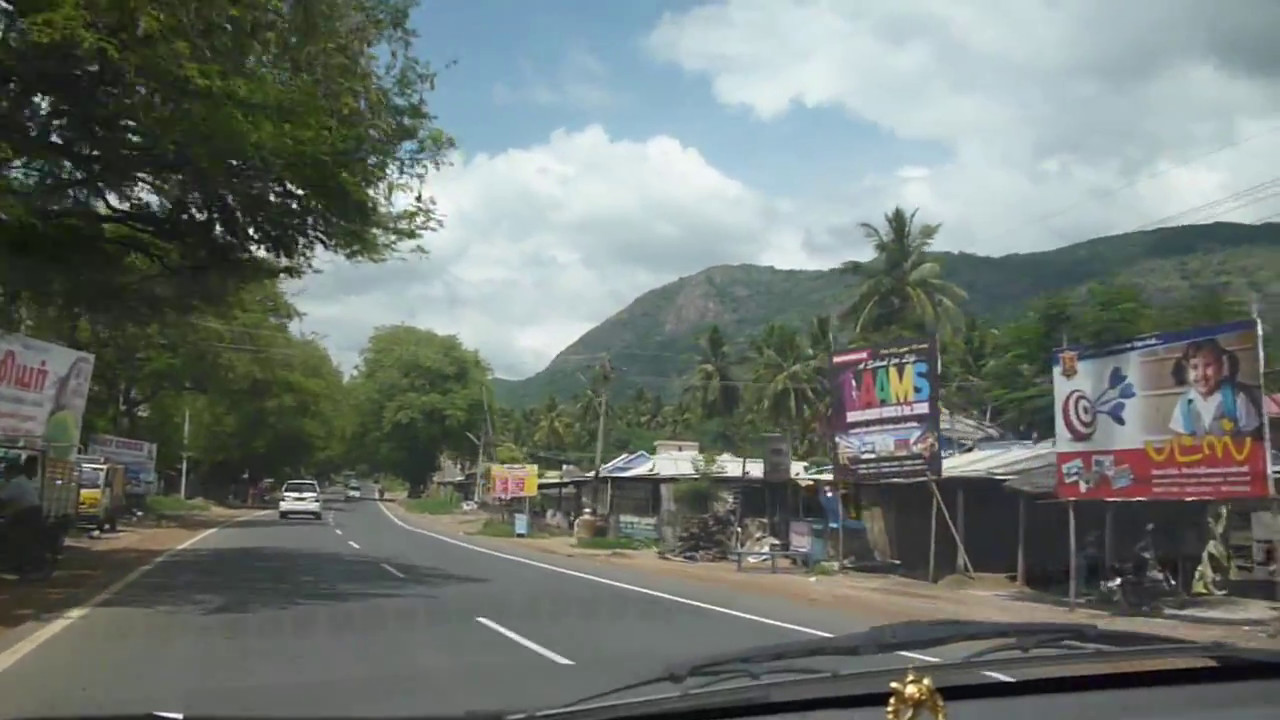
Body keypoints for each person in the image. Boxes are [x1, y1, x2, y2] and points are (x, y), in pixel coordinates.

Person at [1167, 338, 1263, 439]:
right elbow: (1179, 438)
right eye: (1194, 367)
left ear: (1221, 367)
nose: (1201, 374)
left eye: (1208, 365)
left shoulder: (1237, 399)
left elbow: (1251, 435)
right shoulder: (1184, 404)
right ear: (1186, 371)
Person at [0, 457, 47, 577]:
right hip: (31, 513)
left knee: (9, 533)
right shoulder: (22, 481)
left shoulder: (16, 483)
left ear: (12, 472)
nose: (4, 475)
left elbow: (2, 500)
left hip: (27, 515)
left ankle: (12, 563)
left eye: (6, 472)